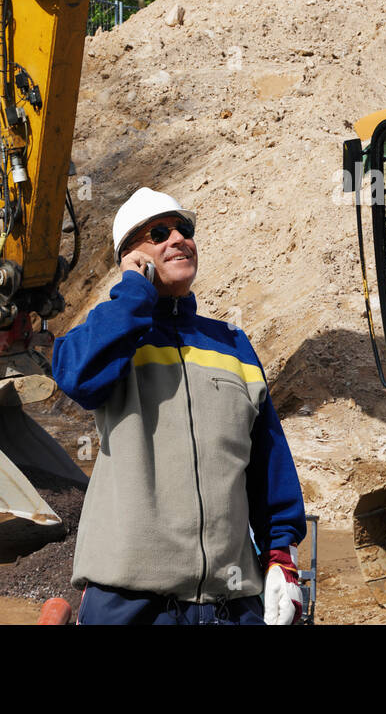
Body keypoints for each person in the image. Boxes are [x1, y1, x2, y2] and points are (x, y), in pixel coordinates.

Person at [51, 186, 306, 625]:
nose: (178, 239)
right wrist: (133, 295)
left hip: (229, 603)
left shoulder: (232, 343)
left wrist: (281, 555)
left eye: (183, 229)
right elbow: (75, 375)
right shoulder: (116, 337)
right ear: (131, 257)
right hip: (131, 603)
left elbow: (268, 460)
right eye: (159, 232)